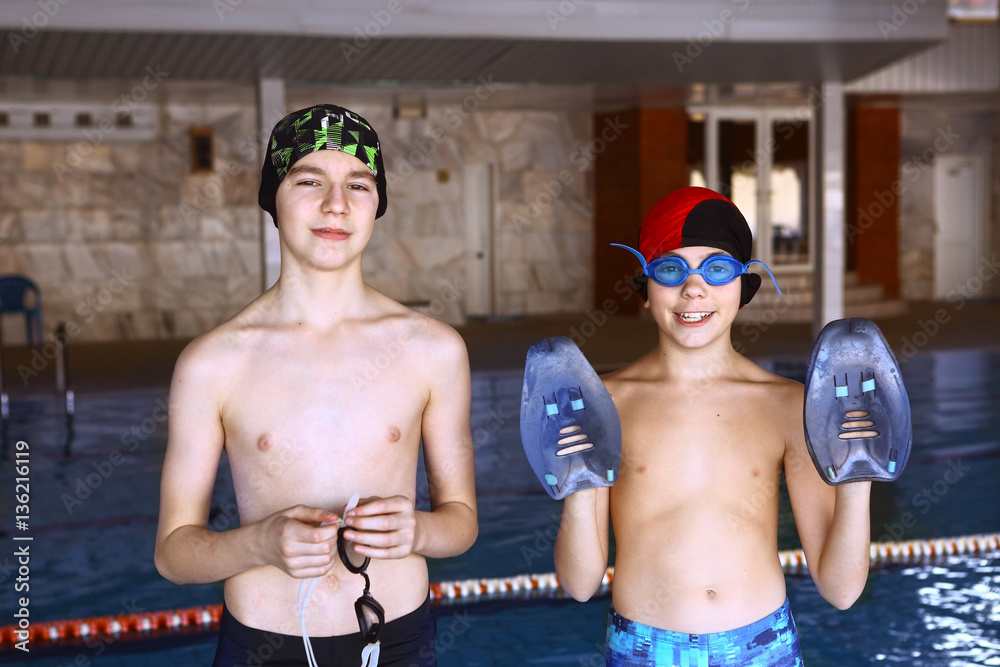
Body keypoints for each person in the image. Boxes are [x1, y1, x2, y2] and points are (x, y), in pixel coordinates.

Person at [154, 105, 478, 667]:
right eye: (309, 181)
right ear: (273, 199)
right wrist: (258, 543)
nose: (337, 204)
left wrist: (418, 530)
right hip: (263, 643)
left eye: (359, 183)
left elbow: (462, 524)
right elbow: (173, 554)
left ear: (378, 205)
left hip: (396, 639)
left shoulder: (433, 349)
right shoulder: (213, 363)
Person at [553, 187, 872, 666]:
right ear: (644, 288)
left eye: (717, 269)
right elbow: (579, 585)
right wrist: (578, 488)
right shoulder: (603, 403)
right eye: (670, 269)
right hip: (643, 649)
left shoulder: (789, 406)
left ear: (743, 288)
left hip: (762, 648)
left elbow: (841, 590)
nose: (693, 289)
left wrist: (857, 480)